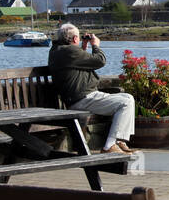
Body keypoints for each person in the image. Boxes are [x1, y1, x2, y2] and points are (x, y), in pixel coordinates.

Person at [48, 23, 137, 154]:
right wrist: (95, 45)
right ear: (74, 39)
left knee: (128, 97)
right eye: (78, 38)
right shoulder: (69, 51)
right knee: (125, 103)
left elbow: (80, 63)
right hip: (82, 100)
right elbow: (99, 61)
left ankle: (118, 141)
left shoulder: (58, 50)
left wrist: (84, 47)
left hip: (80, 97)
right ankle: (109, 146)